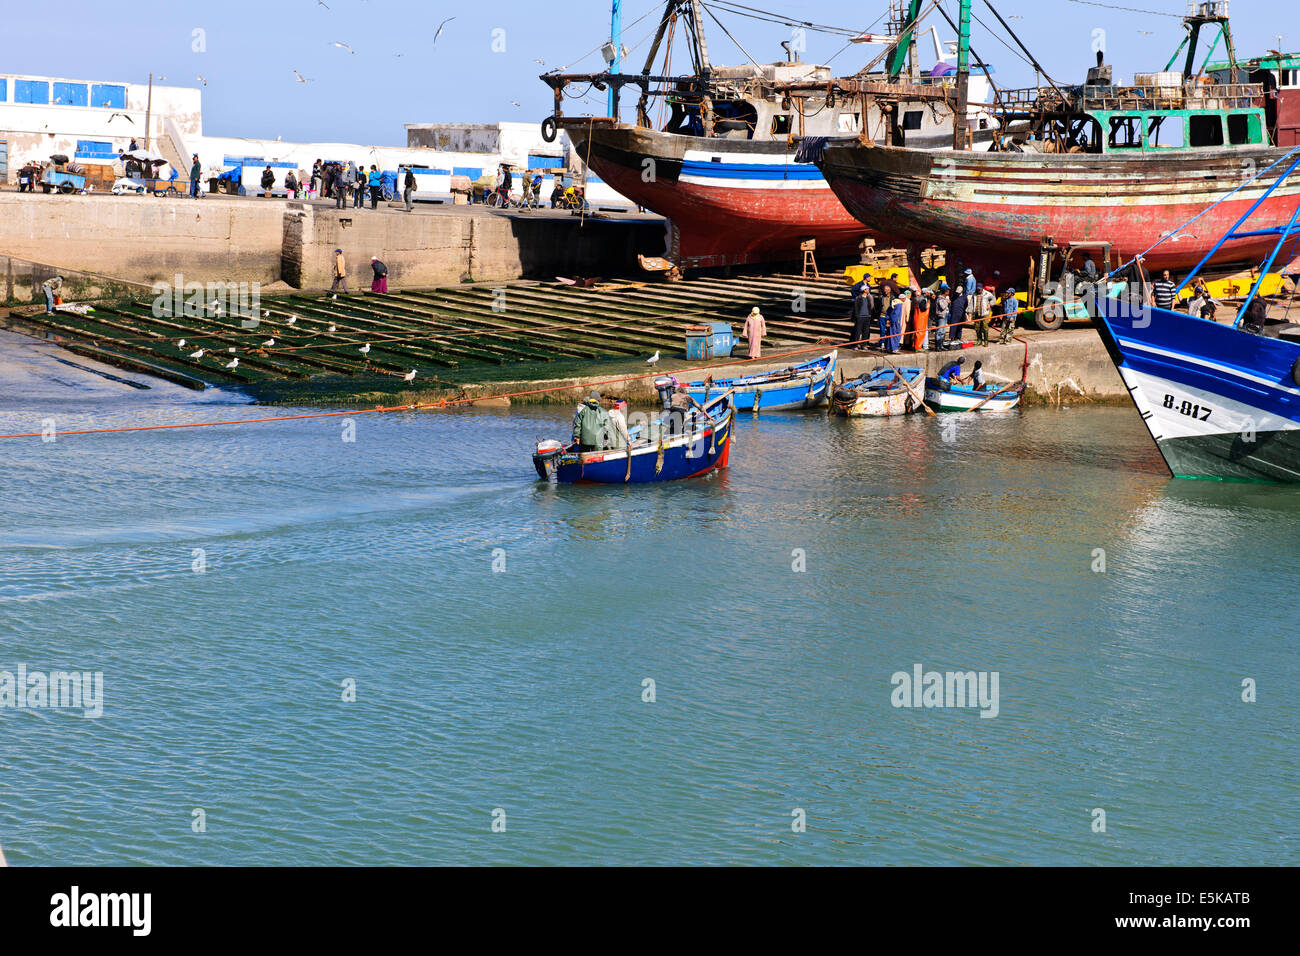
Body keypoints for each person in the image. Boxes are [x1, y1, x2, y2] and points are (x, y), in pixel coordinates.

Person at [850, 283, 874, 347]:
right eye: (867, 289)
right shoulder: (858, 298)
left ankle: (863, 345)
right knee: (857, 332)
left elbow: (870, 307)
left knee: (866, 332)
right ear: (864, 290)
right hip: (860, 317)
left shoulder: (868, 298)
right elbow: (856, 308)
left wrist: (870, 315)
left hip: (867, 317)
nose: (868, 290)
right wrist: (857, 316)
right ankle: (855, 345)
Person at [932, 282, 951, 350]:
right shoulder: (940, 299)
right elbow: (942, 307)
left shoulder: (944, 298)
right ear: (945, 292)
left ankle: (941, 345)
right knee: (939, 331)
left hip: (945, 316)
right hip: (941, 317)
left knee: (943, 331)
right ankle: (937, 346)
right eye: (948, 291)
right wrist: (947, 302)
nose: (949, 292)